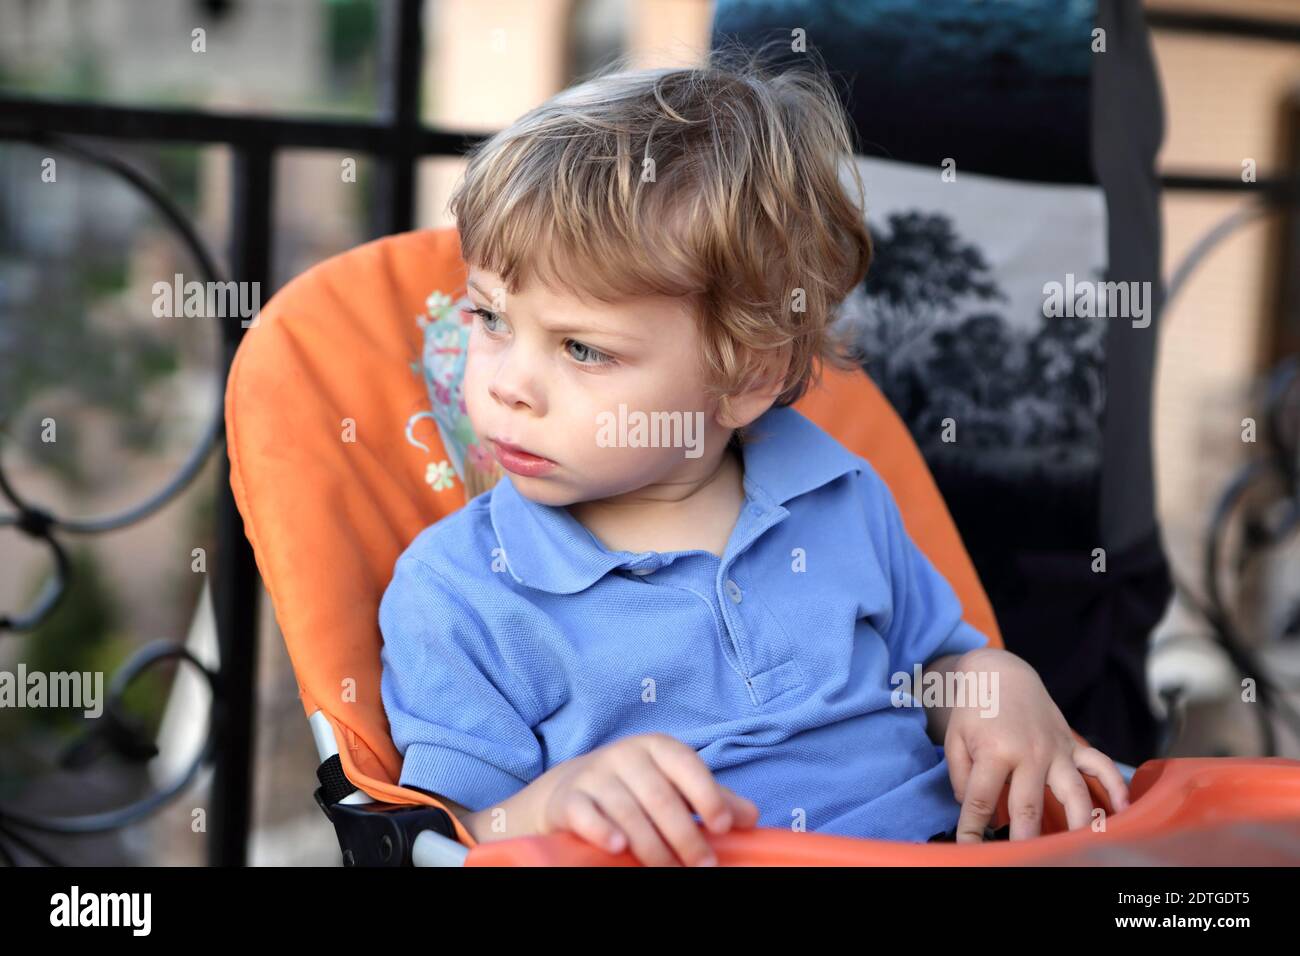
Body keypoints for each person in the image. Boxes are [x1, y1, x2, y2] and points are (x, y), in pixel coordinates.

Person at [379, 46, 1130, 867]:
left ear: (746, 377)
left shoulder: (838, 495)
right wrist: (555, 802)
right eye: (490, 319)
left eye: (583, 350)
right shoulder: (458, 588)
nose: (507, 385)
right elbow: (447, 836)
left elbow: (935, 664)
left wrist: (997, 686)